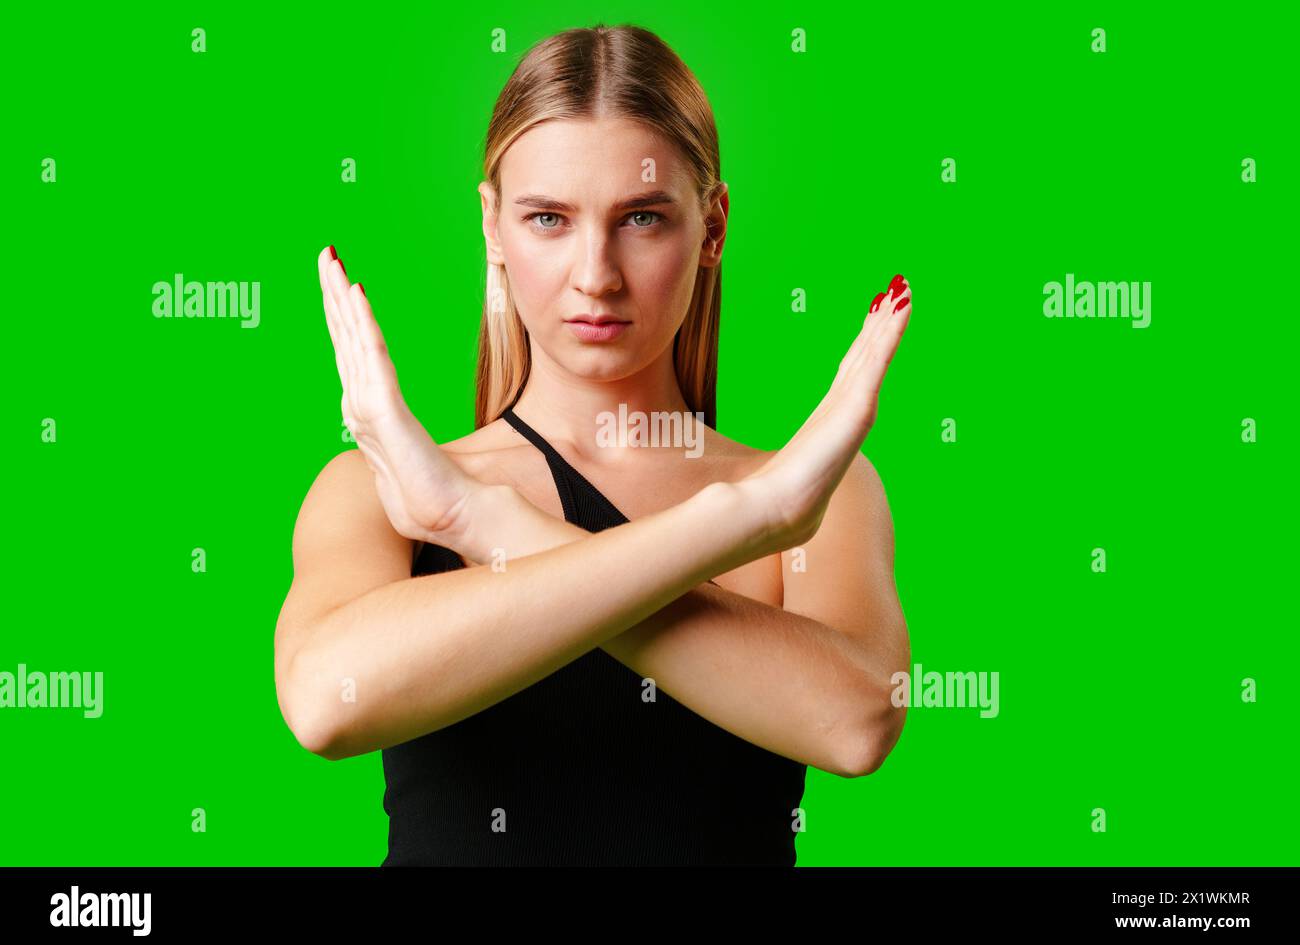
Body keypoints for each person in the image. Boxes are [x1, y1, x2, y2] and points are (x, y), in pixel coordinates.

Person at [274, 23, 912, 866]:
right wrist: (740, 519)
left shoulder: (819, 491)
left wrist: (484, 524)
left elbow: (856, 721)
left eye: (642, 218)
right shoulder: (377, 493)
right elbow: (325, 700)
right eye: (548, 219)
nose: (596, 274)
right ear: (493, 227)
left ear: (713, 227)